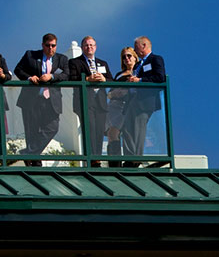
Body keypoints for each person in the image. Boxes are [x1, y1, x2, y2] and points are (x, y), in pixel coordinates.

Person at [13, 34, 69, 165]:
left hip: (51, 101)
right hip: (32, 99)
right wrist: (29, 78)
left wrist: (52, 77)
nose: (50, 48)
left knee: (53, 127)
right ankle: (35, 164)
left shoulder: (62, 59)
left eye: (53, 45)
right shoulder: (30, 55)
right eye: (48, 45)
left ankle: (28, 153)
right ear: (42, 45)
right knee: (32, 132)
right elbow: (18, 70)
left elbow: (67, 74)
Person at [117, 36, 166, 162]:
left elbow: (160, 78)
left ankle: (136, 159)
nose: (134, 49)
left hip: (146, 101)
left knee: (139, 129)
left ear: (144, 45)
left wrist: (140, 80)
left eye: (136, 46)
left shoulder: (155, 59)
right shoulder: (138, 64)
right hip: (133, 100)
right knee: (126, 128)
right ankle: (129, 157)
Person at [70, 36, 111, 164]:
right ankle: (91, 159)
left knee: (99, 131)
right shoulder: (74, 62)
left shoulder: (103, 63)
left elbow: (111, 79)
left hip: (100, 102)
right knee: (90, 130)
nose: (89, 47)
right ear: (82, 47)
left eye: (91, 45)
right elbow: (72, 79)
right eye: (86, 45)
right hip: (85, 102)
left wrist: (104, 79)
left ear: (95, 47)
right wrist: (88, 79)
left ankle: (97, 159)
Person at [105, 47, 140, 161]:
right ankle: (114, 163)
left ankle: (128, 160)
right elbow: (110, 92)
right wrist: (114, 94)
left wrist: (125, 91)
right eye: (124, 57)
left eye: (129, 56)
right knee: (111, 134)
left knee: (118, 132)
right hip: (114, 106)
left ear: (135, 57)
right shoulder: (119, 74)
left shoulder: (139, 73)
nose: (126, 59)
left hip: (127, 106)